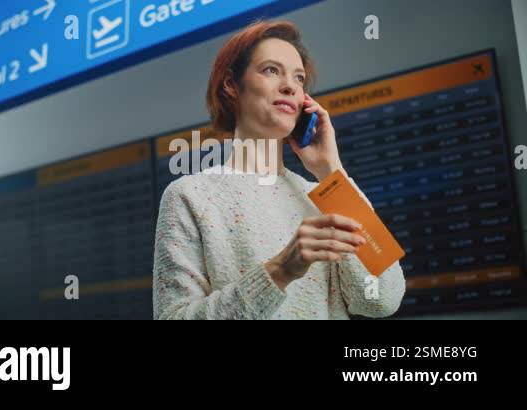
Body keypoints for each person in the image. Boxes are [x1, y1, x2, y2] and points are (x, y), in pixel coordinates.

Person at [153, 20, 405, 320]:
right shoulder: (189, 196)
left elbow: (382, 299)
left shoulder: (324, 195)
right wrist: (281, 270)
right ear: (231, 85)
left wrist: (331, 172)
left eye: (299, 79)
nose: (290, 86)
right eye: (271, 70)